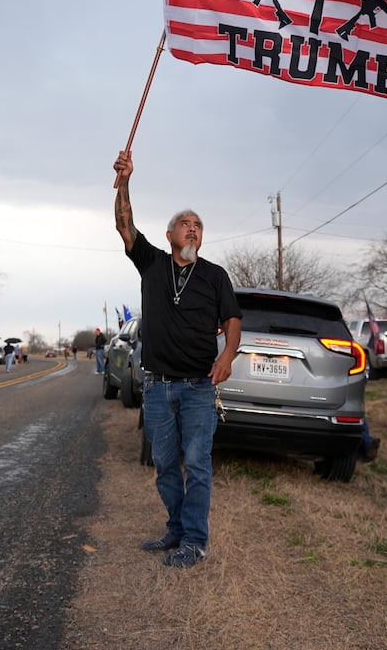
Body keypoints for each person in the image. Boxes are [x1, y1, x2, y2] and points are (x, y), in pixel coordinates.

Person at [113, 149, 242, 569]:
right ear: (170, 235)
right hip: (157, 386)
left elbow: (233, 319)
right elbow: (124, 225)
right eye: (185, 224)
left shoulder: (215, 276)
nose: (193, 230)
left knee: (198, 466)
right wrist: (126, 180)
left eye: (198, 226)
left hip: (198, 389)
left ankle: (195, 541)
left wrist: (228, 355)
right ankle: (175, 528)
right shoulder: (151, 263)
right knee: (166, 464)